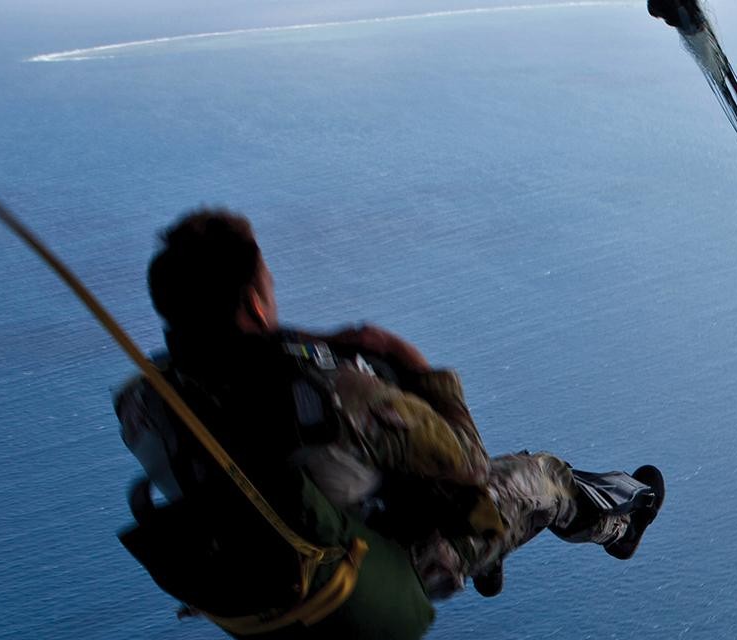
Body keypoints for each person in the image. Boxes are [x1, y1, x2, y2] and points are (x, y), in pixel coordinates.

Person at [116, 210, 663, 619]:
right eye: (269, 284)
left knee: (469, 474)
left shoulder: (141, 402)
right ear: (257, 305)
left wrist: (301, 348)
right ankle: (620, 528)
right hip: (380, 571)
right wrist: (414, 367)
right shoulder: (338, 400)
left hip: (254, 569)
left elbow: (230, 373)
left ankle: (497, 553)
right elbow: (471, 469)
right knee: (546, 476)